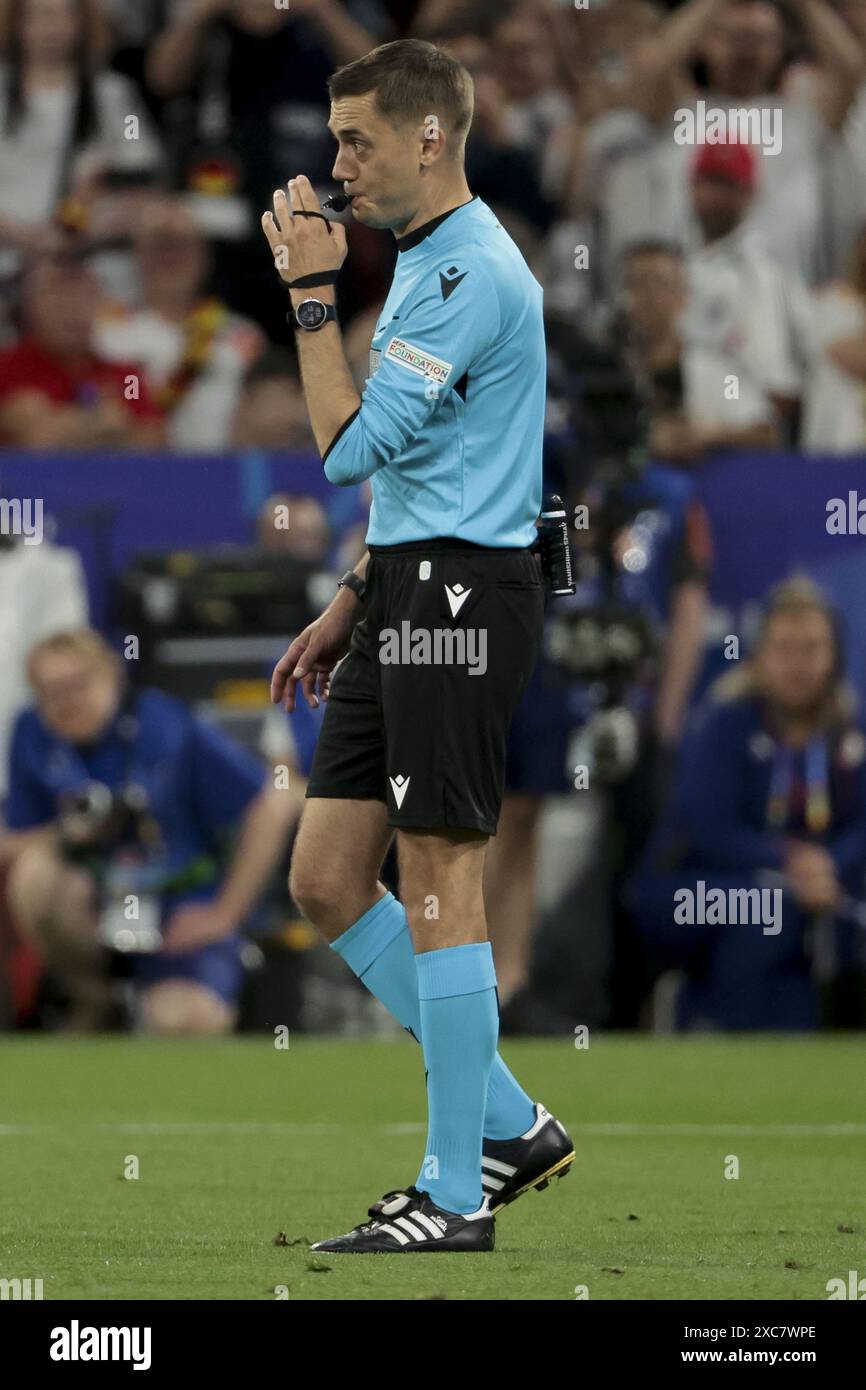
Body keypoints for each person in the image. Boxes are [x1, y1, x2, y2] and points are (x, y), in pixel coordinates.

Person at [258, 38, 574, 1253]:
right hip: (405, 585)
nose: (338, 166)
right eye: (336, 140)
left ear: (429, 137)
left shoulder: (465, 273)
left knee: (441, 875)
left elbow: (346, 449)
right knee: (328, 878)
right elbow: (431, 467)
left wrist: (306, 295)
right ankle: (506, 1120)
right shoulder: (433, 261)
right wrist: (355, 590)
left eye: (358, 141)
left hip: (460, 598)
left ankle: (453, 1196)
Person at [1, 628, 297, 1032]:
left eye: (78, 685)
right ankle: (97, 999)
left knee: (186, 1021)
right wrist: (66, 835)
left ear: (111, 675)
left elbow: (271, 804)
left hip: (176, 907)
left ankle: (157, 1004)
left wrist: (223, 914)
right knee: (34, 875)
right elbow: (11, 842)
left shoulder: (165, 722)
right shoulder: (33, 733)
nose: (67, 702)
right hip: (97, 912)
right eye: (50, 692)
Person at [631, 577, 866, 1031]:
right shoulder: (724, 722)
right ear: (759, 654)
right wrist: (790, 862)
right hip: (690, 888)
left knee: (793, 1003)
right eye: (784, 648)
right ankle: (702, 1019)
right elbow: (706, 828)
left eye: (813, 648)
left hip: (805, 897)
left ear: (835, 654)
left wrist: (828, 866)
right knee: (769, 910)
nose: (799, 665)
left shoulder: (846, 733)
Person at [94, 193, 264, 451]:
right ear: (137, 254)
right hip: (136, 471)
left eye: (181, 244)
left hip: (226, 475)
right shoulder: (106, 331)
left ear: (204, 254)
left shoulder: (242, 335)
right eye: (160, 244)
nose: (170, 256)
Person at [0, 250, 165, 450]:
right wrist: (103, 422)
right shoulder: (6, 370)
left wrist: (63, 423)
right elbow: (39, 437)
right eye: (57, 292)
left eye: (83, 293)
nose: (71, 306)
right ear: (28, 303)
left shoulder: (128, 377)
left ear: (100, 301)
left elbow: (152, 437)